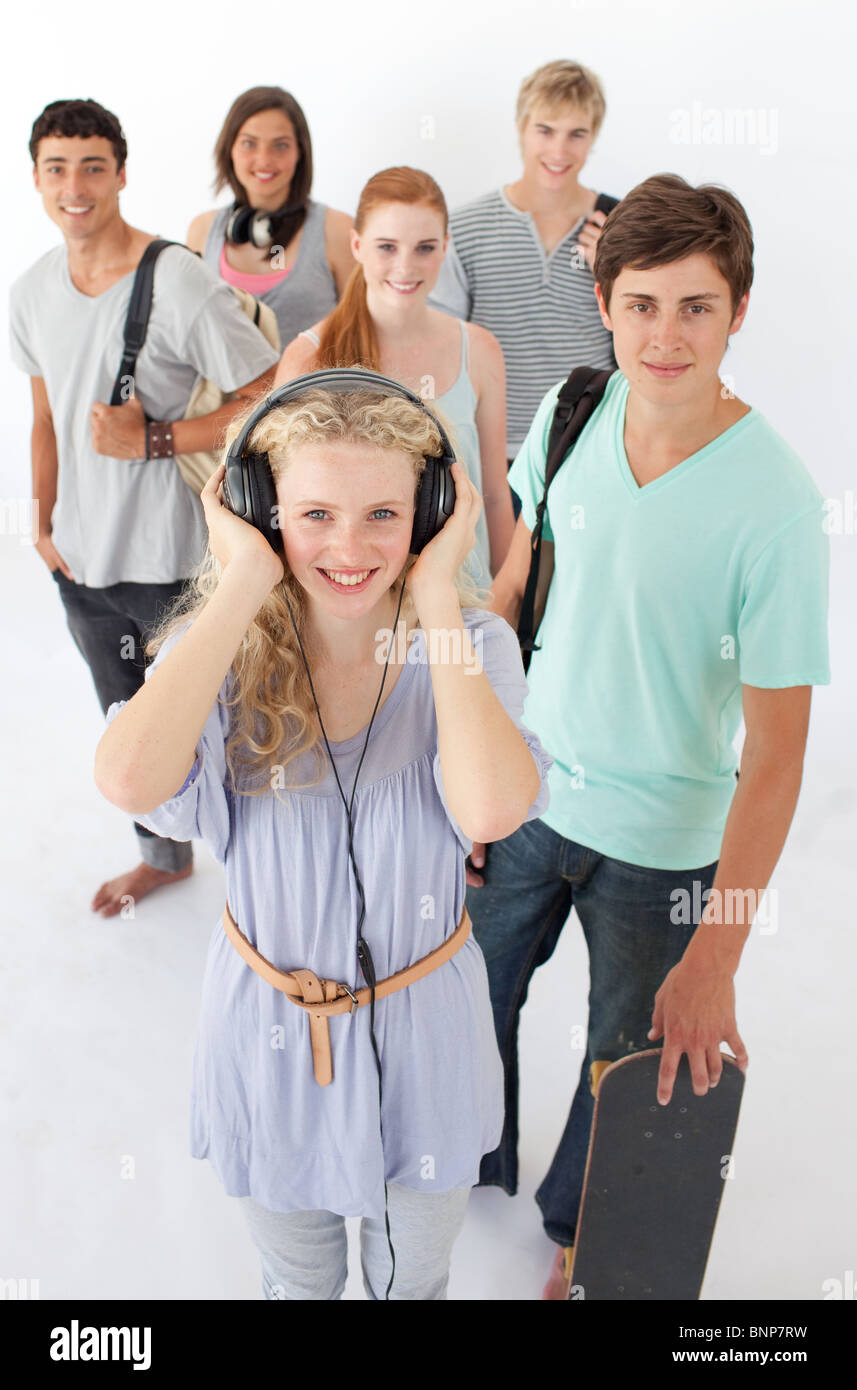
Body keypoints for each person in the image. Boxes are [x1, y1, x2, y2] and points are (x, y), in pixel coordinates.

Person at [93, 378, 553, 1300]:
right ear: (261, 515)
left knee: (410, 1283)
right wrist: (240, 586)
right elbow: (130, 782)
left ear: (427, 517)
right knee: (295, 1282)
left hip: (424, 1039)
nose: (349, 548)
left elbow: (491, 812)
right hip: (267, 1030)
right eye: (312, 514)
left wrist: (431, 596)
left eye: (385, 512)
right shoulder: (224, 657)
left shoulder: (466, 644)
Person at [465, 173, 831, 1298]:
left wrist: (714, 956)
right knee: (460, 1003)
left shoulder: (774, 504)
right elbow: (514, 590)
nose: (663, 335)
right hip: (525, 796)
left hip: (661, 847)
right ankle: (456, 1169)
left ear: (739, 309)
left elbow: (774, 757)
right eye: (639, 304)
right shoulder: (572, 404)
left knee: (622, 1064)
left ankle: (584, 1227)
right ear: (603, 298)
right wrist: (466, 774)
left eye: (694, 306)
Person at [9, 98, 279, 918]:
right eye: (57, 167)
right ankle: (164, 857)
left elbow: (269, 393)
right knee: (127, 726)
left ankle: (267, 877)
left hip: (171, 567)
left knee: (226, 727)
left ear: (122, 174)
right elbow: (45, 417)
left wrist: (157, 439)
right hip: (82, 567)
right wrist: (43, 524)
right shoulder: (29, 292)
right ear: (36, 180)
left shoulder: (179, 282)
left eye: (93, 165)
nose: (75, 185)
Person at [275, 167, 515, 586]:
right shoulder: (307, 359)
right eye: (387, 246)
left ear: (445, 248)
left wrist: (510, 601)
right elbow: (283, 507)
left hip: (466, 604)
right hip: (350, 601)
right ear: (357, 245)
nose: (405, 267)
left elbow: (494, 496)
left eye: (424, 247)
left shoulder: (479, 350)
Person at [429, 59, 618, 497]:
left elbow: (644, 330)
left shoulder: (621, 224)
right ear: (521, 128)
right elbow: (444, 351)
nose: (559, 150)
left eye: (577, 134)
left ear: (593, 137)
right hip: (493, 456)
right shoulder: (466, 228)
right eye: (545, 130)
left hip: (593, 445)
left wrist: (612, 269)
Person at [186, 86, 354, 348]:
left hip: (313, 390)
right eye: (249, 143)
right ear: (229, 148)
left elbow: (363, 332)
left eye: (281, 145)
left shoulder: (338, 230)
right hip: (221, 390)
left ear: (300, 152)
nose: (264, 159)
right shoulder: (202, 230)